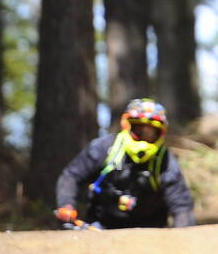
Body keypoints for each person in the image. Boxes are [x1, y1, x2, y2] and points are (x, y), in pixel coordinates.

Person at [54, 98, 195, 229]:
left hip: (150, 232)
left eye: (151, 132)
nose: (144, 137)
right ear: (127, 126)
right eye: (139, 130)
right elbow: (71, 176)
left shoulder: (165, 160)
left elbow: (181, 205)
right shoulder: (103, 148)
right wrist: (66, 205)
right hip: (102, 227)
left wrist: (181, 236)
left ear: (161, 132)